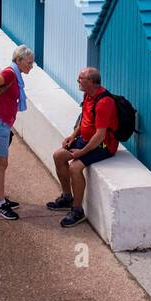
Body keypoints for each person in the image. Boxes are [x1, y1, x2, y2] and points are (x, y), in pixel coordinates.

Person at [48, 68, 119, 228]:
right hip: (86, 140)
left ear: (92, 82)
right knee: (58, 156)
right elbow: (84, 120)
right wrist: (72, 136)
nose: (78, 81)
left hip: (103, 145)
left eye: (81, 78)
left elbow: (100, 135)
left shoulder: (104, 102)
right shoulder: (88, 95)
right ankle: (67, 198)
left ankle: (77, 210)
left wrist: (81, 152)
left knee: (75, 167)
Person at [0, 45, 35, 219]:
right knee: (0, 163)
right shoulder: (10, 74)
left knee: (1, 163)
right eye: (29, 62)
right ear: (18, 60)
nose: (31, 66)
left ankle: (0, 199)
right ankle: (0, 204)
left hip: (1, 123)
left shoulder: (14, 74)